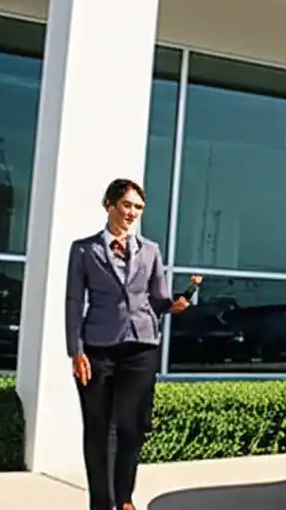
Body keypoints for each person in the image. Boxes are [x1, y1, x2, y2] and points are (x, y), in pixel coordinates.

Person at [65, 178, 199, 510]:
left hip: (141, 346)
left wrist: (175, 304)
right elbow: (73, 300)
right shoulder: (84, 249)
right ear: (109, 204)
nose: (132, 213)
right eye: (126, 205)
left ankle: (123, 499)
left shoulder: (150, 250)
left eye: (138, 207)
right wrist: (75, 349)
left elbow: (157, 299)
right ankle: (102, 504)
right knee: (99, 428)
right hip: (97, 347)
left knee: (133, 424)